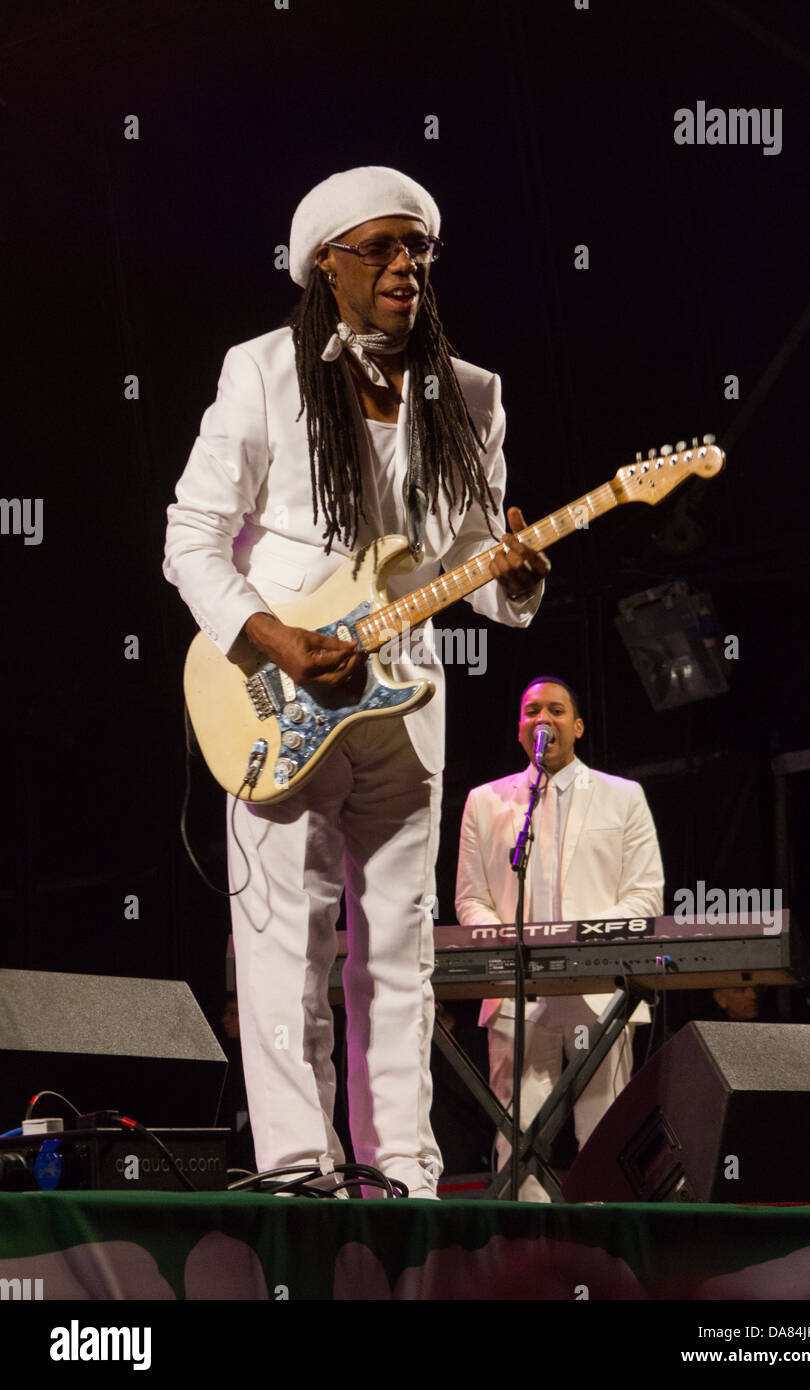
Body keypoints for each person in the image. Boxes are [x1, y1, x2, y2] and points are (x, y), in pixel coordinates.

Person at [163, 166, 548, 1198]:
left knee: (400, 946)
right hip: (279, 691)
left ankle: (405, 1173)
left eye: (415, 247)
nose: (403, 265)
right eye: (377, 247)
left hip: (404, 695)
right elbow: (190, 538)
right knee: (286, 937)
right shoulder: (264, 373)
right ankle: (299, 1167)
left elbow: (473, 561)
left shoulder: (470, 394)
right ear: (322, 265)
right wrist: (276, 639)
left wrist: (516, 582)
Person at [455, 676, 664, 1200]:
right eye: (530, 711)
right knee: (517, 1134)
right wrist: (514, 946)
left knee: (604, 1130)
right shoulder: (486, 802)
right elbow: (469, 900)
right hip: (516, 990)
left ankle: (604, 1251)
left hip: (600, 990)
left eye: (554, 709)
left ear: (577, 726)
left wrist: (578, 945)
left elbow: (645, 896)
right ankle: (526, 1256)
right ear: (520, 729)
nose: (541, 718)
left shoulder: (623, 796)